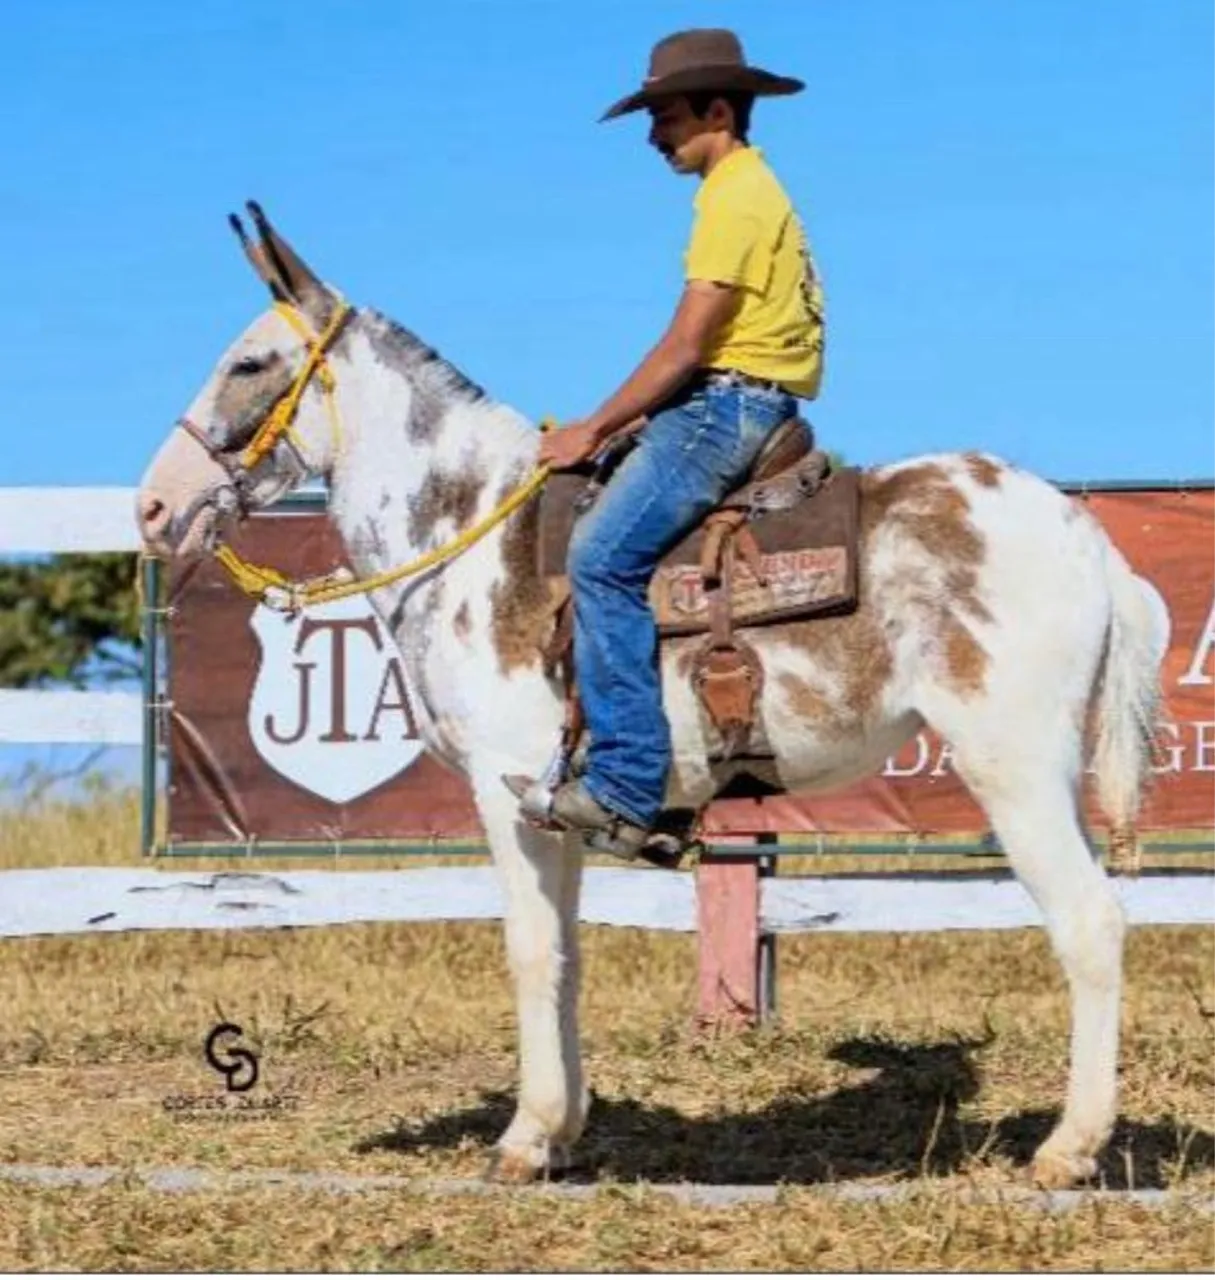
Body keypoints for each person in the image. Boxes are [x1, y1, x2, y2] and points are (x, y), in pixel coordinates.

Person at [526, 28, 826, 858]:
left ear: (717, 112)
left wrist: (592, 427)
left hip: (722, 406)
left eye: (665, 116)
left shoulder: (734, 198)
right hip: (734, 397)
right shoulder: (749, 191)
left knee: (598, 560)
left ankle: (625, 785)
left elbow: (687, 346)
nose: (654, 135)